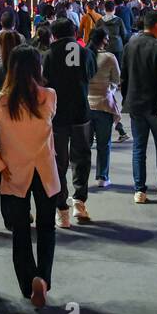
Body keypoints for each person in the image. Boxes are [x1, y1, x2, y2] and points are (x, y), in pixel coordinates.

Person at [0, 46, 60, 309]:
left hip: (15, 173)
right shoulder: (48, 96)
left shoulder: (3, 100)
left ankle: (28, 283)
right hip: (45, 172)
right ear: (38, 68)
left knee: (20, 231)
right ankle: (43, 279)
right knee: (47, 228)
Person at [43, 17, 96, 225]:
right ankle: (79, 203)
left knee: (58, 162)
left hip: (57, 115)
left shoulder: (48, 55)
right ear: (74, 32)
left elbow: (44, 81)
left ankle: (61, 209)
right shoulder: (85, 52)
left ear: (53, 35)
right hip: (81, 113)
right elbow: (90, 75)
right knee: (81, 158)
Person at [122, 10, 157, 203]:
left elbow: (124, 76)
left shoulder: (130, 45)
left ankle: (139, 190)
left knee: (138, 147)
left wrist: (127, 99)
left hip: (135, 104)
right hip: (155, 105)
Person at [86, 26, 122, 189]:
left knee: (84, 145)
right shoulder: (109, 57)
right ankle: (102, 176)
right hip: (104, 104)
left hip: (86, 105)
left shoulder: (82, 55)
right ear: (103, 40)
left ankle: (82, 175)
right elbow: (117, 79)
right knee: (103, 143)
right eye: (107, 38)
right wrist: (110, 89)